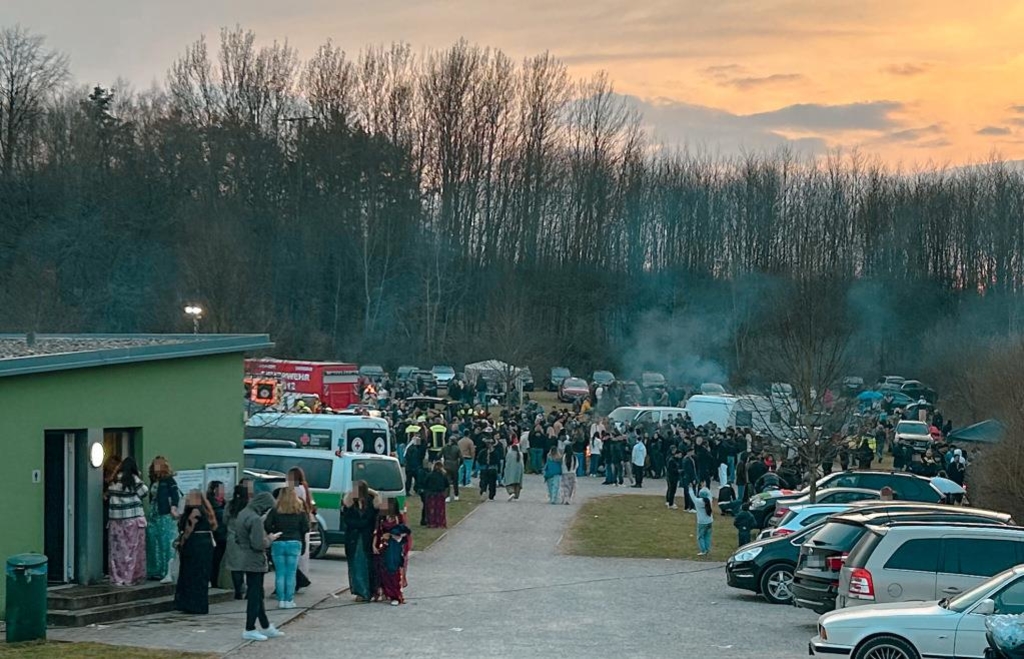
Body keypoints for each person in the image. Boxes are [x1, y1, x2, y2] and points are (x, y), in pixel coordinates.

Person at [236, 492, 284, 642]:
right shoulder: (255, 519)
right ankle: (249, 628)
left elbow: (238, 537)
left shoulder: (243, 513)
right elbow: (258, 544)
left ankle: (265, 625)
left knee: (256, 593)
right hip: (255, 560)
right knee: (255, 595)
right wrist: (270, 538)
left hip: (244, 557)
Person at [264, 485, 309, 610]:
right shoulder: (299, 510)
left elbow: (267, 524)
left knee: (280, 573)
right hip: (294, 542)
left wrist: (274, 531)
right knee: (291, 573)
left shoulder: (275, 510)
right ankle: (289, 600)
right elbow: (306, 528)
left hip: (278, 542)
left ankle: (281, 600)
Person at [107, 457, 149, 586]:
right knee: (132, 549)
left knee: (117, 550)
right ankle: (129, 577)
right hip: (132, 518)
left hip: (115, 519)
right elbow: (145, 493)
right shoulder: (134, 480)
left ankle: (117, 577)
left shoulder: (114, 480)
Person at [175, 489, 217, 614]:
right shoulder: (207, 511)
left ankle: (191, 604)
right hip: (207, 544)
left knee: (191, 573)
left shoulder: (194, 511)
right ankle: (200, 604)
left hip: (195, 543)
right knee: (202, 574)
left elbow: (189, 529)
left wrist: (181, 541)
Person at [342, 482, 380, 602]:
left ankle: (369, 591)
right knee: (356, 565)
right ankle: (360, 591)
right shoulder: (350, 503)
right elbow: (347, 519)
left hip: (366, 537)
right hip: (353, 538)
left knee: (367, 564)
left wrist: (373, 492)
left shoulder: (370, 502)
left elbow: (371, 518)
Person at [146, 456, 180, 583]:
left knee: (165, 542)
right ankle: (155, 570)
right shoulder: (154, 481)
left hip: (164, 513)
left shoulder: (169, 480)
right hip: (154, 513)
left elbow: (175, 495)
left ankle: (167, 571)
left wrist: (173, 507)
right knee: (153, 540)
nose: (156, 468)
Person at [374, 499, 411, 606]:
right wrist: (374, 544)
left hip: (394, 546)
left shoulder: (398, 518)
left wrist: (391, 535)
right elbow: (377, 532)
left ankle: (396, 595)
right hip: (382, 546)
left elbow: (405, 532)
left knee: (393, 569)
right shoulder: (381, 518)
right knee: (382, 569)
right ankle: (385, 592)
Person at [286, 467, 314, 591]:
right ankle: (302, 578)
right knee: (303, 554)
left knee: (295, 557)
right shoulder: (304, 487)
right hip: (304, 521)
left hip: (295, 523)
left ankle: (299, 580)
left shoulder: (295, 489)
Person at [224, 482, 250, 600]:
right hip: (247, 539)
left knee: (235, 567)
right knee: (249, 566)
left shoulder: (230, 505)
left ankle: (238, 591)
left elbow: (225, 520)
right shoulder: (250, 506)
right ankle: (249, 589)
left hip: (232, 539)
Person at [206, 480, 227, 588]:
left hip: (223, 536)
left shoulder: (224, 503)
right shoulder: (210, 504)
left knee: (218, 560)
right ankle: (212, 580)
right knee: (214, 560)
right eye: (221, 489)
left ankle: (216, 580)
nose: (224, 492)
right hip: (215, 536)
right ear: (215, 490)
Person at [419, 462, 450, 528]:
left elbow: (425, 484)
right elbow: (447, 485)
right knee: (440, 509)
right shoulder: (443, 476)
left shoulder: (429, 475)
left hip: (431, 495)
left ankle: (431, 523)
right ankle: (440, 523)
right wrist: (446, 494)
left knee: (431, 510)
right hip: (440, 494)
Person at [688, 485, 715, 557]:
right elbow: (709, 493)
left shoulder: (697, 501)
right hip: (709, 521)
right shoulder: (709, 500)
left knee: (700, 537)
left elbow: (692, 495)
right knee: (707, 536)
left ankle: (703, 550)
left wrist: (690, 487)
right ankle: (707, 549)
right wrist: (705, 487)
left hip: (701, 522)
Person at [441, 436, 462, 502]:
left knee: (447, 482)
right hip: (455, 465)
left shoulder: (444, 447)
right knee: (455, 481)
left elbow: (438, 455)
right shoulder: (457, 448)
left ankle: (447, 497)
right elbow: (461, 458)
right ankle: (456, 495)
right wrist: (459, 465)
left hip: (446, 465)